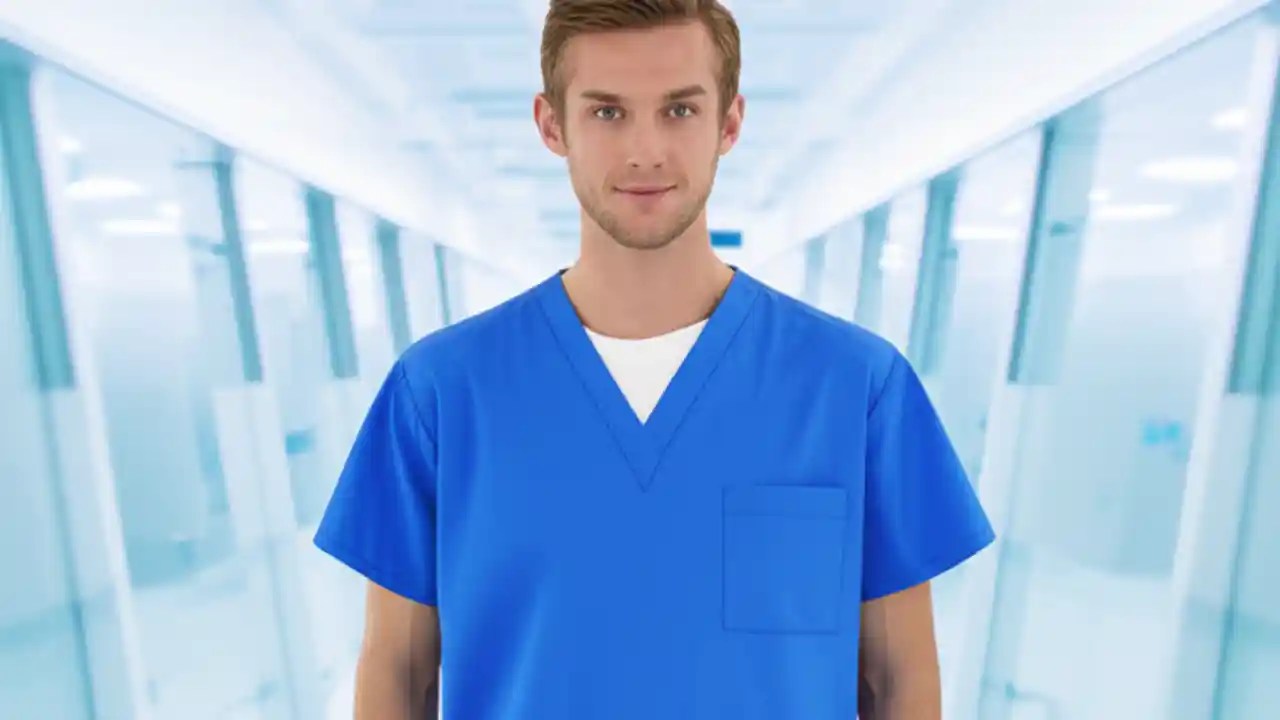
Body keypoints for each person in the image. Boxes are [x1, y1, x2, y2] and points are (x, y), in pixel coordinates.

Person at [313, 0, 996, 717]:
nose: (645, 151)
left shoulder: (856, 388)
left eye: (678, 111)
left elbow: (900, 678)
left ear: (729, 123)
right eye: (608, 113)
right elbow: (396, 672)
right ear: (552, 125)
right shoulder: (441, 396)